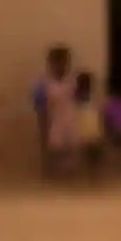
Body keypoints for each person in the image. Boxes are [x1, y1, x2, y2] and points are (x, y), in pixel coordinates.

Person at [33, 45, 78, 179]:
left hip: (70, 119)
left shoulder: (72, 82)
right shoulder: (43, 84)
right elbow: (40, 107)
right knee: (54, 151)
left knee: (70, 151)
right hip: (53, 120)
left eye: (65, 63)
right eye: (58, 63)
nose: (62, 66)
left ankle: (69, 177)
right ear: (51, 64)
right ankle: (52, 178)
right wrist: (43, 124)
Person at [74, 72, 105, 177]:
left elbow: (99, 112)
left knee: (93, 154)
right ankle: (88, 175)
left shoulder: (93, 96)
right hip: (84, 128)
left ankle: (92, 175)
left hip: (91, 128)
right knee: (85, 154)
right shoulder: (76, 98)